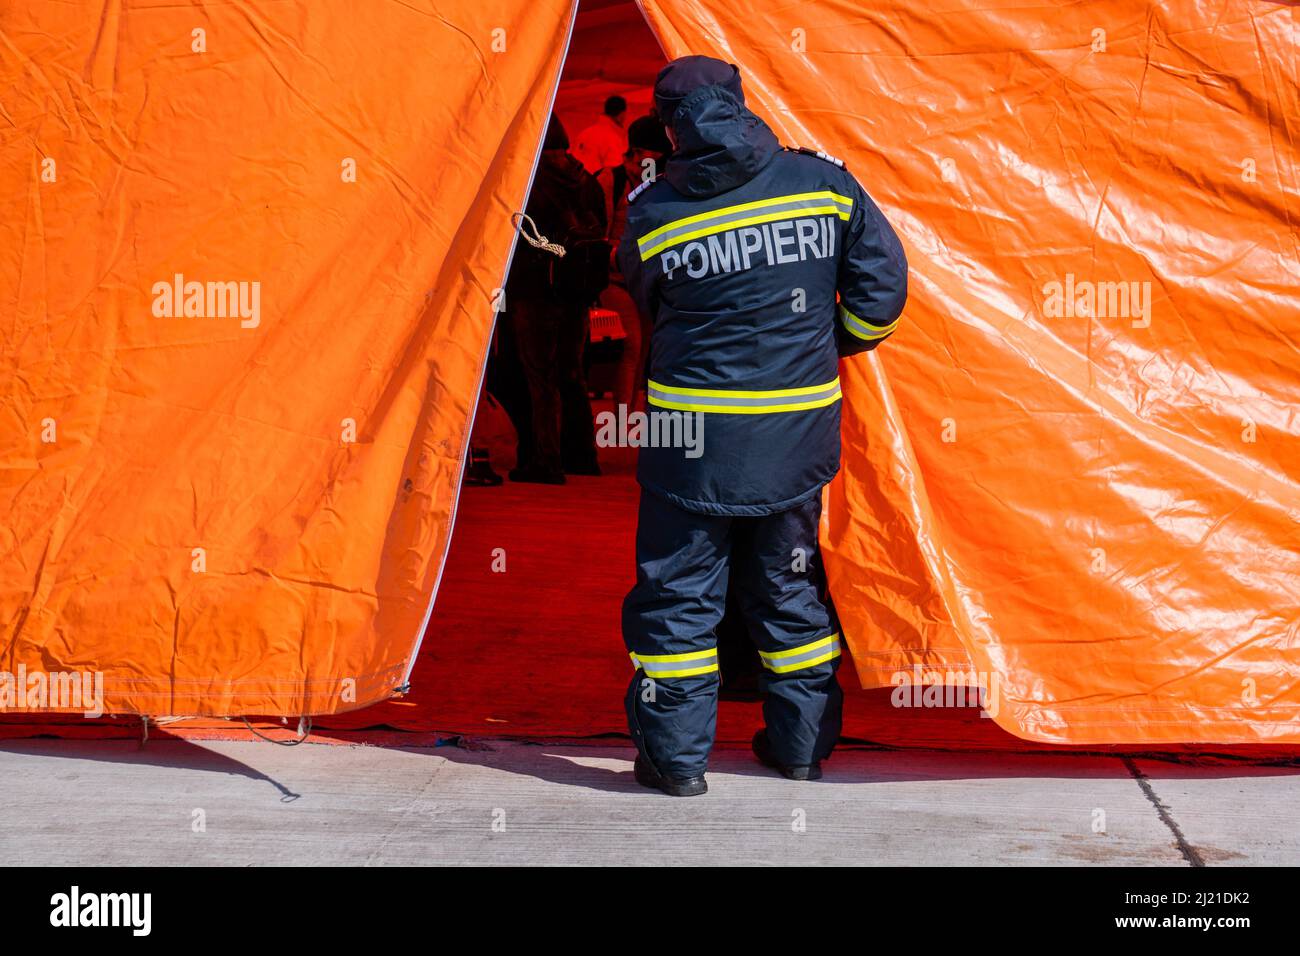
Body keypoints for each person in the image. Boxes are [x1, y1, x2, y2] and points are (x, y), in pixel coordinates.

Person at [617, 56, 908, 796]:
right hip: (794, 435)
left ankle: (678, 763)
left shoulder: (652, 211)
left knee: (680, 597)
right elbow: (883, 291)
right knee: (788, 586)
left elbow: (648, 304)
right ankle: (802, 748)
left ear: (670, 125)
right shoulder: (824, 183)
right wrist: (828, 343)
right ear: (742, 105)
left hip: (689, 445)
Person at [502, 115, 608, 484]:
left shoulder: (527, 182)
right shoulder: (586, 181)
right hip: (576, 294)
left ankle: (545, 460)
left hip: (533, 292)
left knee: (538, 377)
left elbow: (514, 235)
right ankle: (582, 456)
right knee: (572, 374)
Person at [596, 113, 673, 411]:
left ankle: (631, 409)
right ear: (637, 153)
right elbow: (597, 237)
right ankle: (623, 412)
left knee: (646, 349)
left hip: (646, 282)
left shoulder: (659, 186)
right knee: (633, 343)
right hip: (614, 281)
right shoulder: (610, 182)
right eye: (653, 158)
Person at [573, 95, 628, 175]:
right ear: (622, 114)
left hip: (576, 181)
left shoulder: (585, 133)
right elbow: (614, 172)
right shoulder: (613, 139)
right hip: (593, 184)